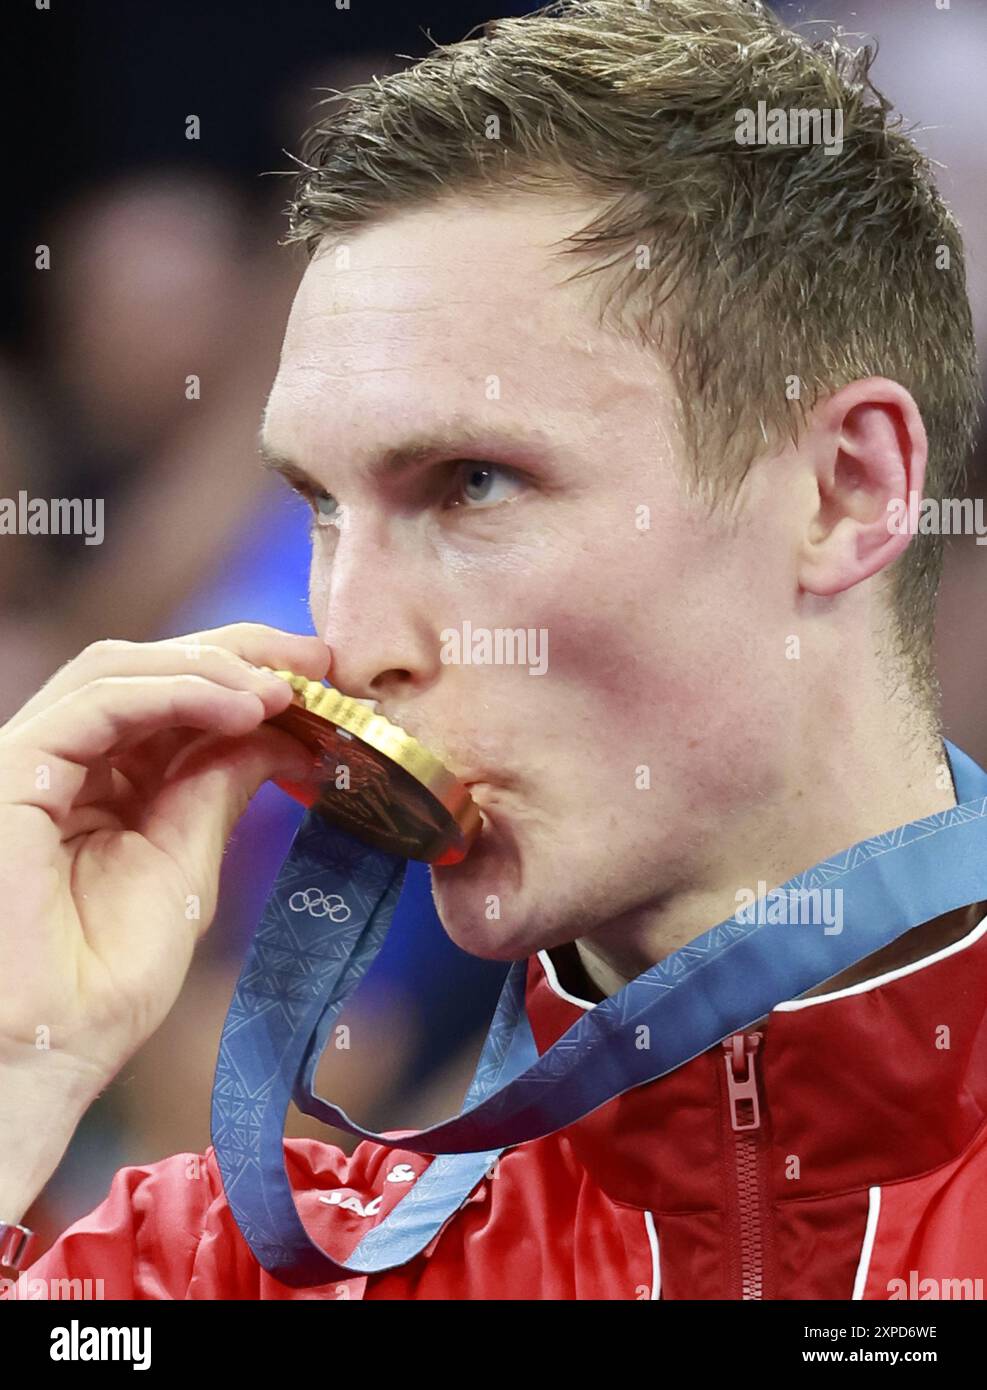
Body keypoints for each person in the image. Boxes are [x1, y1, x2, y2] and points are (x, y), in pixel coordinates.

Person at [3, 0, 986, 1301]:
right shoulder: (221, 1266)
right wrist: (23, 1063)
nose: (346, 640)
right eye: (319, 507)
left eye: (471, 483)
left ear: (844, 493)